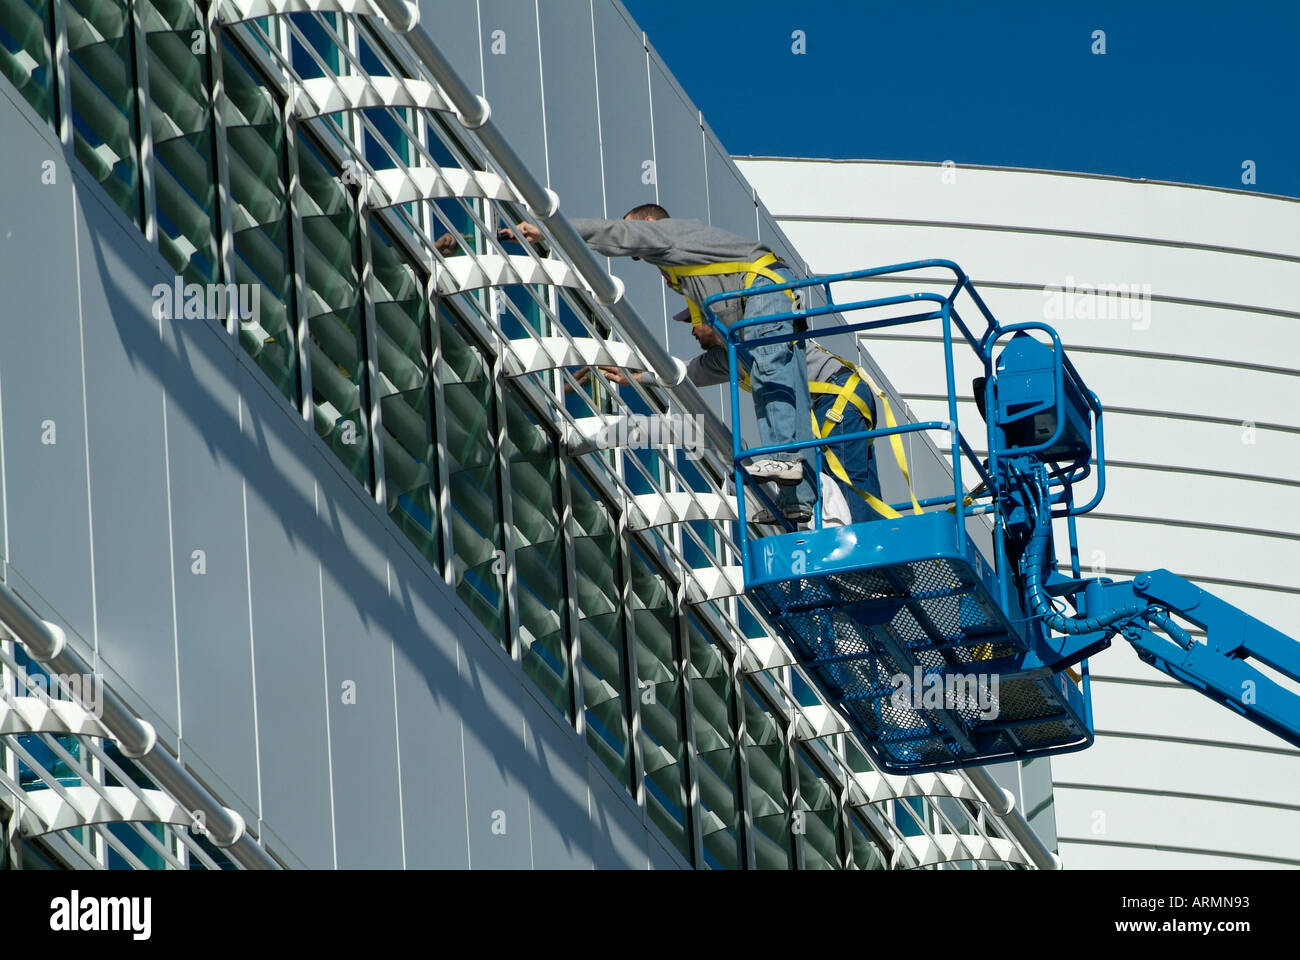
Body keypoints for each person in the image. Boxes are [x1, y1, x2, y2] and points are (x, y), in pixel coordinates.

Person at [501, 204, 820, 524]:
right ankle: (798, 501)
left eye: (638, 239)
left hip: (765, 291)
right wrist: (643, 377)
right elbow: (707, 366)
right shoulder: (693, 267)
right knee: (782, 389)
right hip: (768, 295)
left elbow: (618, 233)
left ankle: (787, 460)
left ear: (651, 224)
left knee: (769, 376)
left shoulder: (673, 234)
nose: (640, 256)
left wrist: (550, 228)